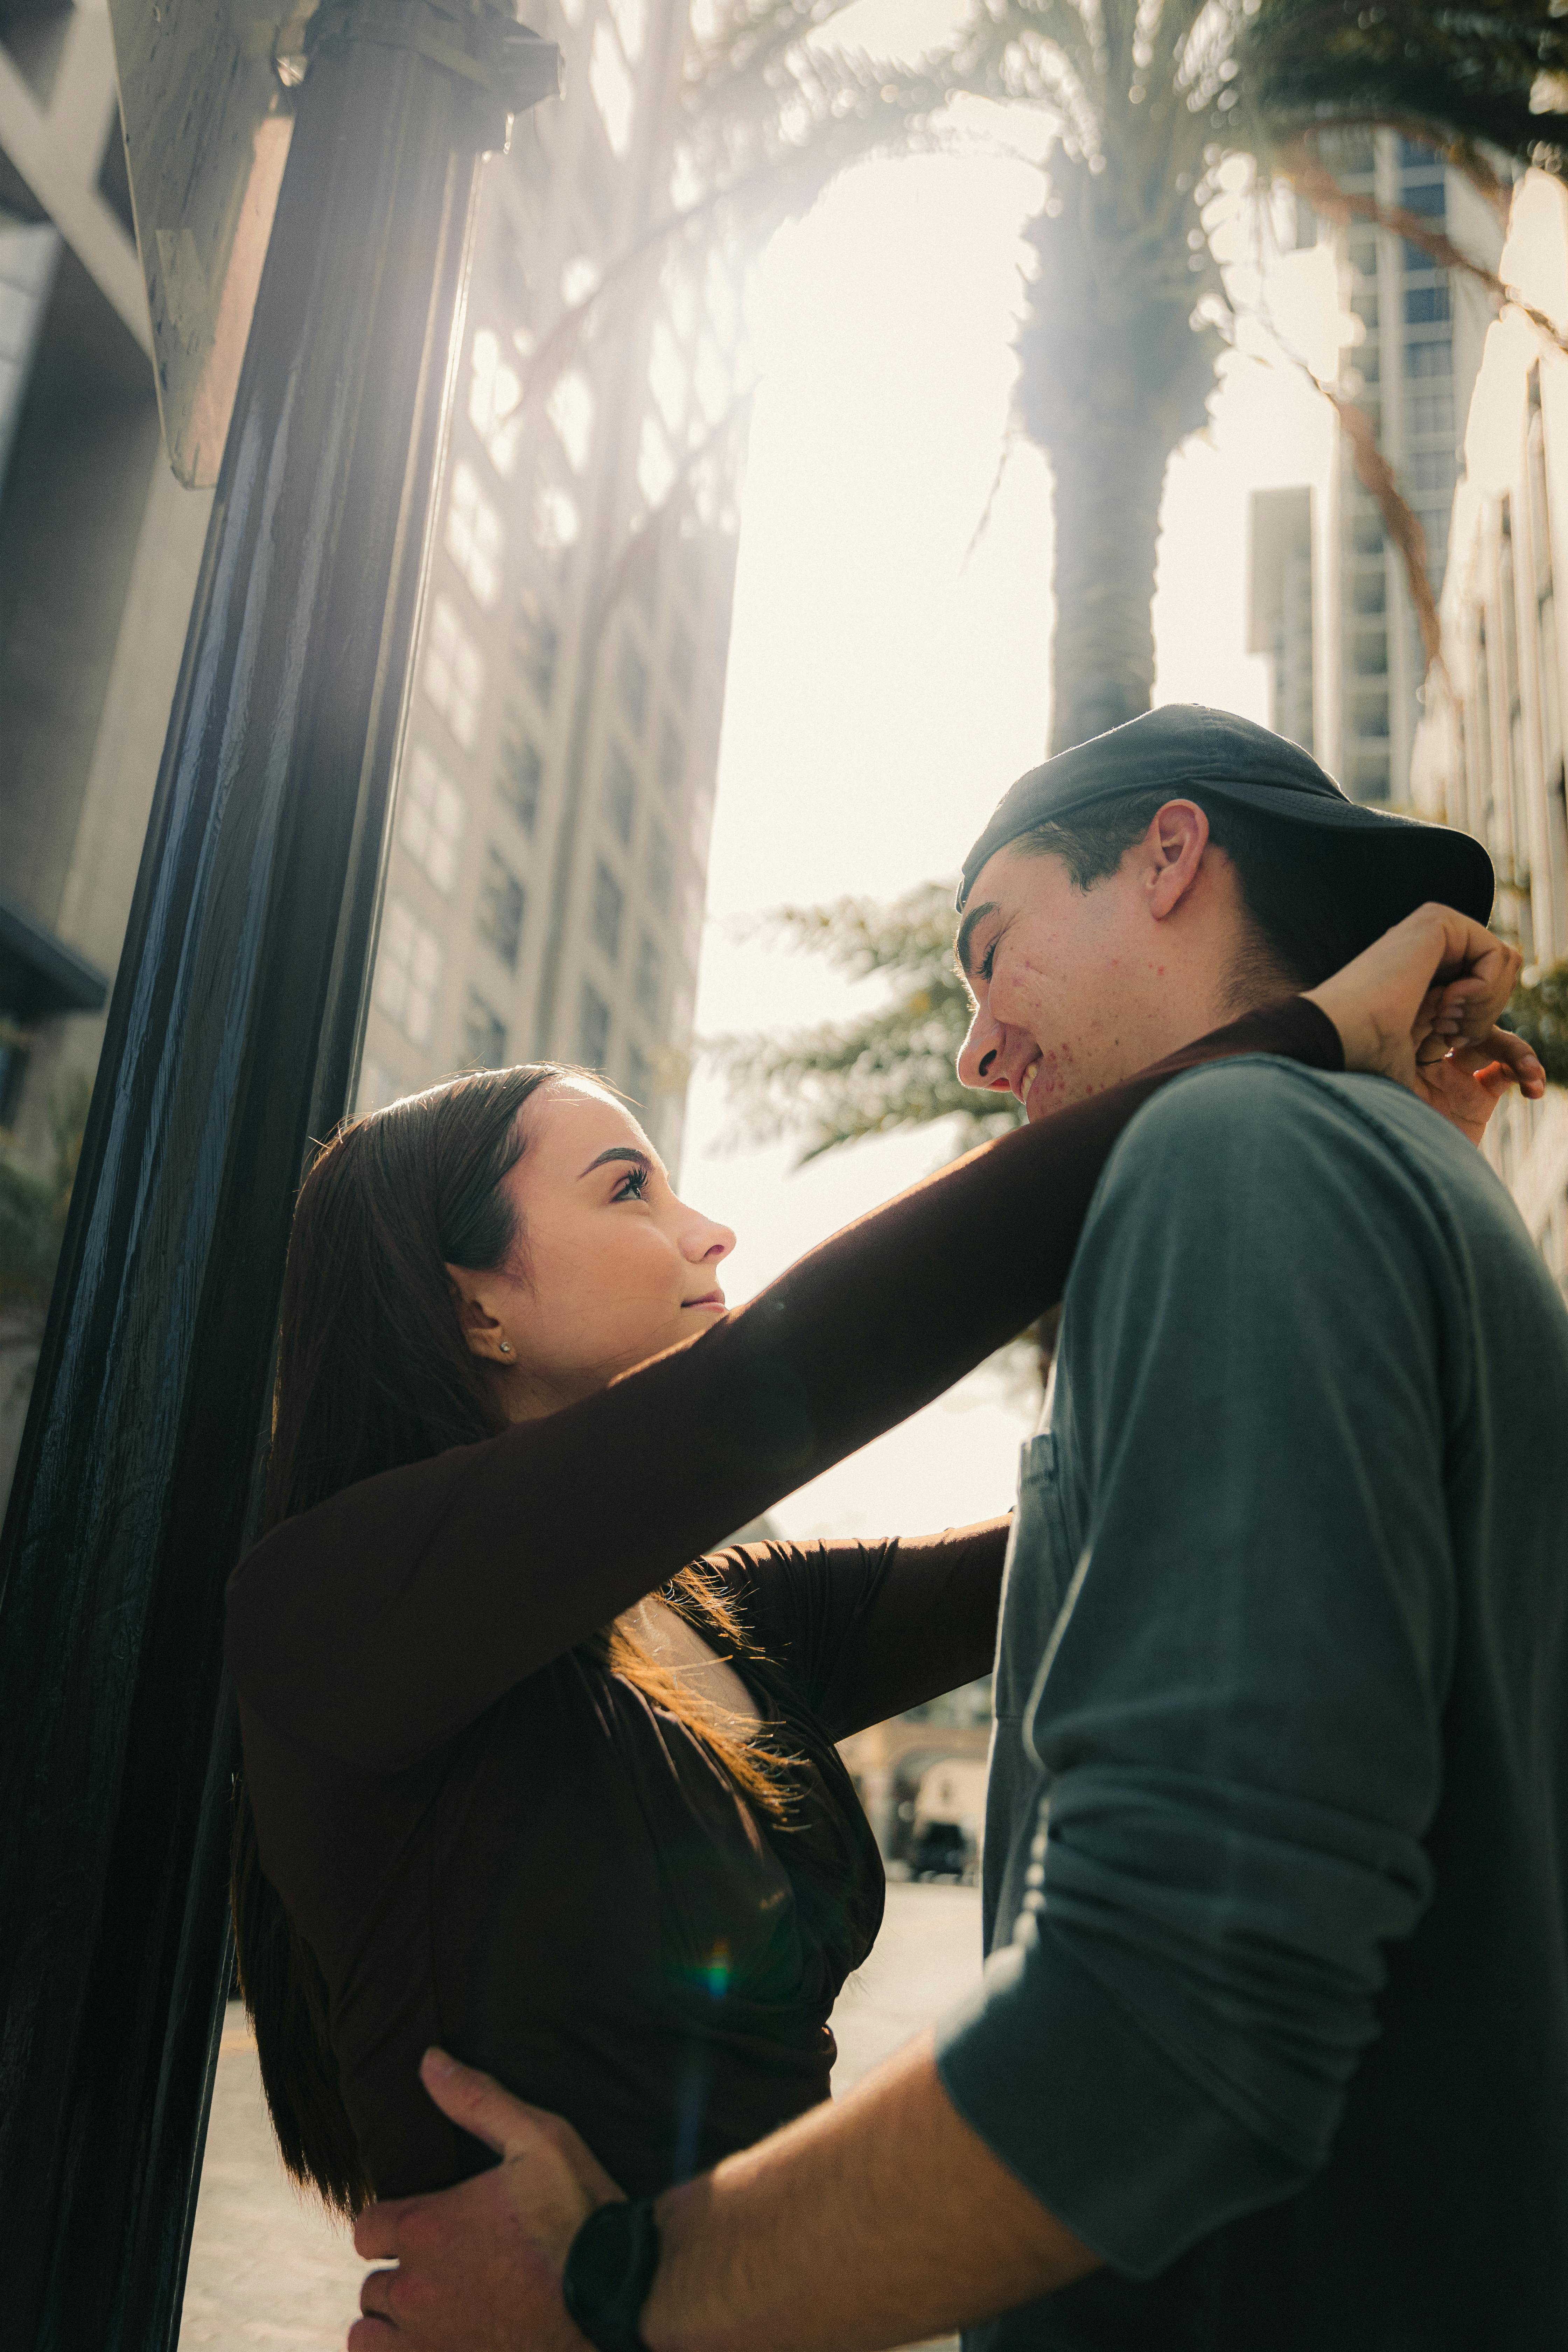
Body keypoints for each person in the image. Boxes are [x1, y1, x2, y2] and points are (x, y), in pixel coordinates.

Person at [343, 707, 1567, 2352]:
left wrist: (619, 2295)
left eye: (993, 952)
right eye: (627, 1190)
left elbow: (1180, 2018)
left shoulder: (1239, 1166)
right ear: (459, 1305)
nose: (980, 1050)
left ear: (1169, 855)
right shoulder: (1417, 1199)